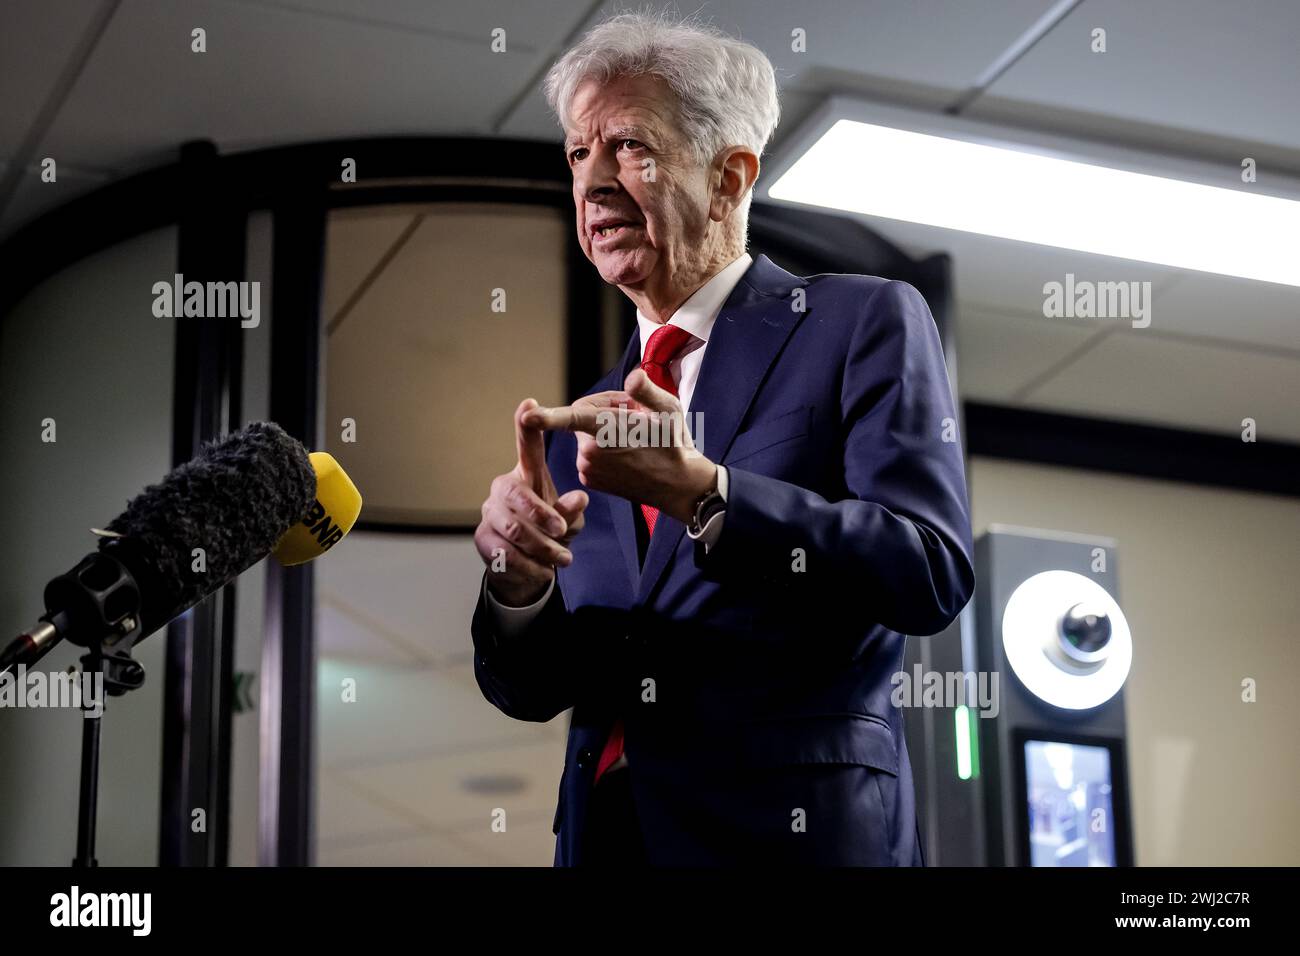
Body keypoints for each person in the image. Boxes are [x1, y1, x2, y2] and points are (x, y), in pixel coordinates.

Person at [471, 12, 974, 866]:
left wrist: (707, 493)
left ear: (730, 177)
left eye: (628, 145)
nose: (591, 183)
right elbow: (535, 688)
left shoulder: (860, 323)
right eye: (575, 153)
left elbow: (927, 569)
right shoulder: (582, 423)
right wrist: (516, 585)